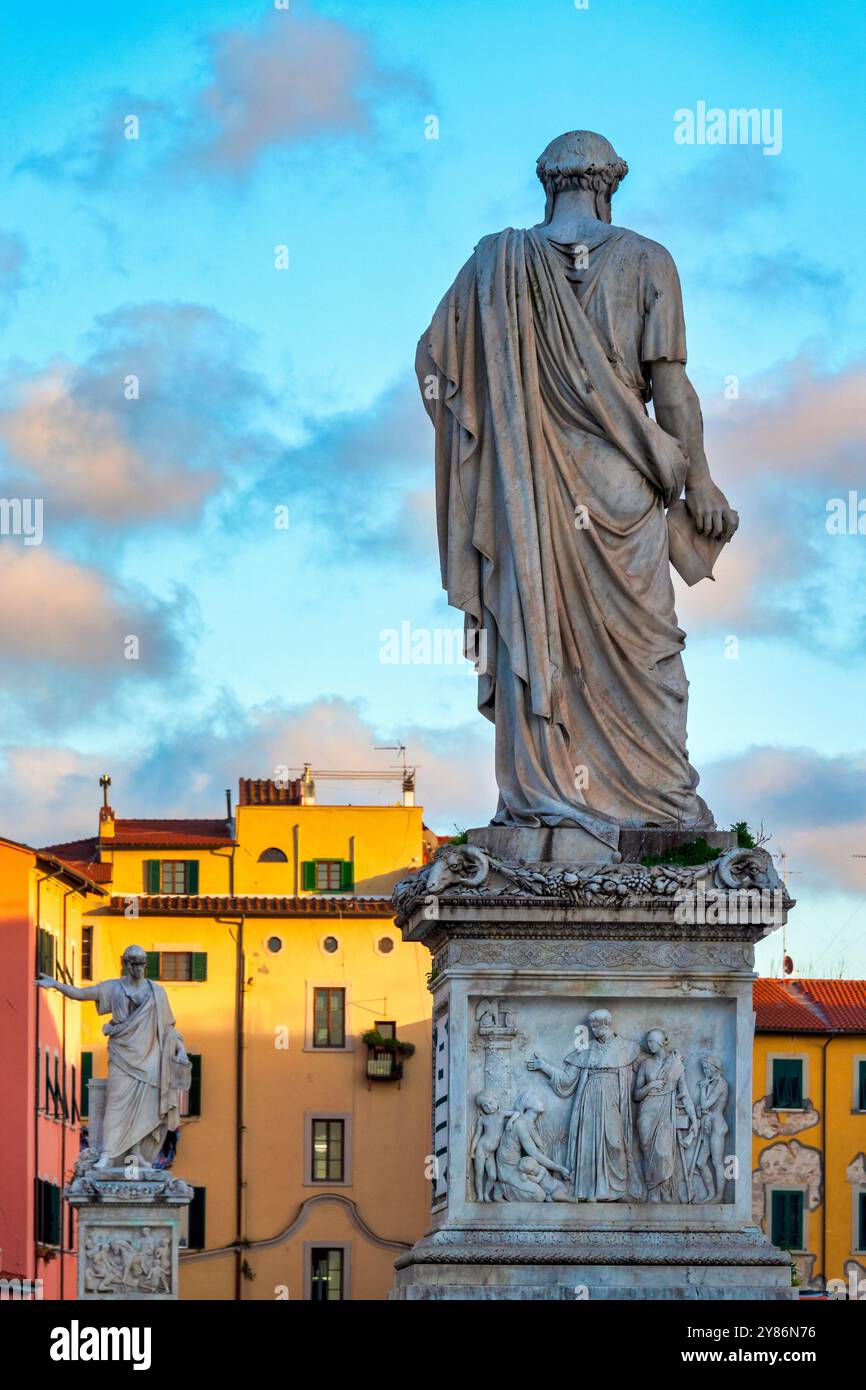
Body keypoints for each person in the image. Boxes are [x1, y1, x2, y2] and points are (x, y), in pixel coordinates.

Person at [417, 130, 738, 848]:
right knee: (649, 650)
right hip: (621, 488)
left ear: (547, 185)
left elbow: (435, 368)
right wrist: (704, 481)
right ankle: (656, 799)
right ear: (608, 186)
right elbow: (671, 387)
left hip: (527, 498)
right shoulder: (650, 259)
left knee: (540, 639)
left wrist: (502, 436)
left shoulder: (492, 266)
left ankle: (547, 798)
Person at [38, 943, 190, 1168]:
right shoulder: (113, 988)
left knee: (143, 1110)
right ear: (126, 964)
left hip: (150, 1061)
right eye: (134, 963)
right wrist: (55, 985)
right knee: (116, 1104)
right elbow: (81, 994)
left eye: (142, 964)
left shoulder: (157, 992)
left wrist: (182, 1050)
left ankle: (136, 1154)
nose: (139, 968)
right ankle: (108, 1154)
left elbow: (168, 1030)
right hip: (123, 1055)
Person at [528, 1009, 642, 1201]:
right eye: (593, 1028)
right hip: (589, 1100)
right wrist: (544, 1066)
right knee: (589, 1144)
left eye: (598, 1027)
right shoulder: (586, 1050)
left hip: (613, 1100)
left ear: (608, 1024)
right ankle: (591, 1192)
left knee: (615, 1142)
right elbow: (566, 1080)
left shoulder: (626, 1048)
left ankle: (617, 1189)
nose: (595, 1031)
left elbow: (643, 1069)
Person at [633, 1028, 698, 1202]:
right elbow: (636, 1095)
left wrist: (693, 1120)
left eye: (652, 1041)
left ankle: (664, 1193)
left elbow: (684, 1094)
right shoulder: (645, 1065)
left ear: (662, 1042)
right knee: (648, 1152)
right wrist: (650, 1085)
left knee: (663, 1152)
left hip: (665, 1113)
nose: (649, 1045)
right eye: (647, 1042)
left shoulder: (676, 1064)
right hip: (647, 1112)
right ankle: (653, 1194)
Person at [694, 1054, 730, 1202]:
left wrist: (702, 1088)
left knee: (717, 1162)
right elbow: (704, 1108)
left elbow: (706, 1104)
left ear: (713, 1068)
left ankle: (720, 1196)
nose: (704, 1071)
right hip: (709, 1124)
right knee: (701, 1162)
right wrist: (699, 1111)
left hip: (717, 1126)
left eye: (706, 1068)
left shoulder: (721, 1084)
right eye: (703, 1068)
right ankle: (711, 1194)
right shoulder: (711, 1082)